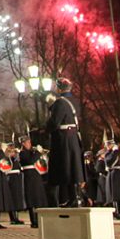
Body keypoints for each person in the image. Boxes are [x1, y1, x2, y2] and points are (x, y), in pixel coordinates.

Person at [45, 78, 86, 207]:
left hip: (63, 139)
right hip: (73, 137)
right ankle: (74, 197)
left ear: (59, 88)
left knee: (65, 167)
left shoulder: (60, 103)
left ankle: (70, 199)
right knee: (73, 167)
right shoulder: (75, 102)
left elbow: (55, 122)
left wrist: (44, 129)